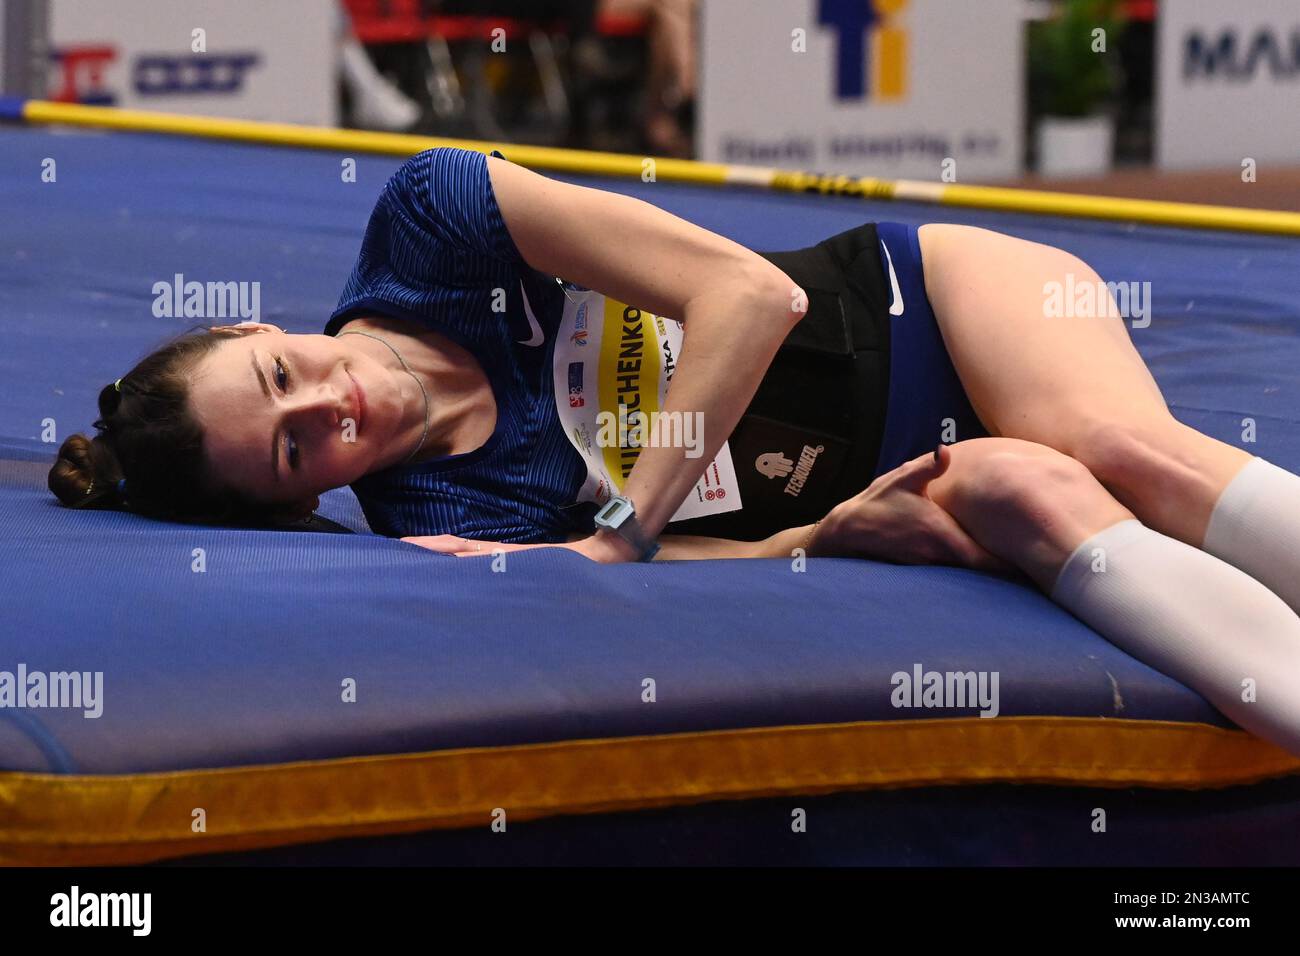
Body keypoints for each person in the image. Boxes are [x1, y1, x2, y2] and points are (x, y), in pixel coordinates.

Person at [49, 146, 1300, 755]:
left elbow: (750, 294)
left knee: (1112, 444)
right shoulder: (444, 511)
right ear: (298, 501)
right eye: (291, 454)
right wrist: (824, 533)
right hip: (890, 461)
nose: (326, 411)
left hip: (936, 307)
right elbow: (712, 566)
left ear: (252, 324)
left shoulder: (434, 224)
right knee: (1026, 483)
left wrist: (625, 527)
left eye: (282, 376)